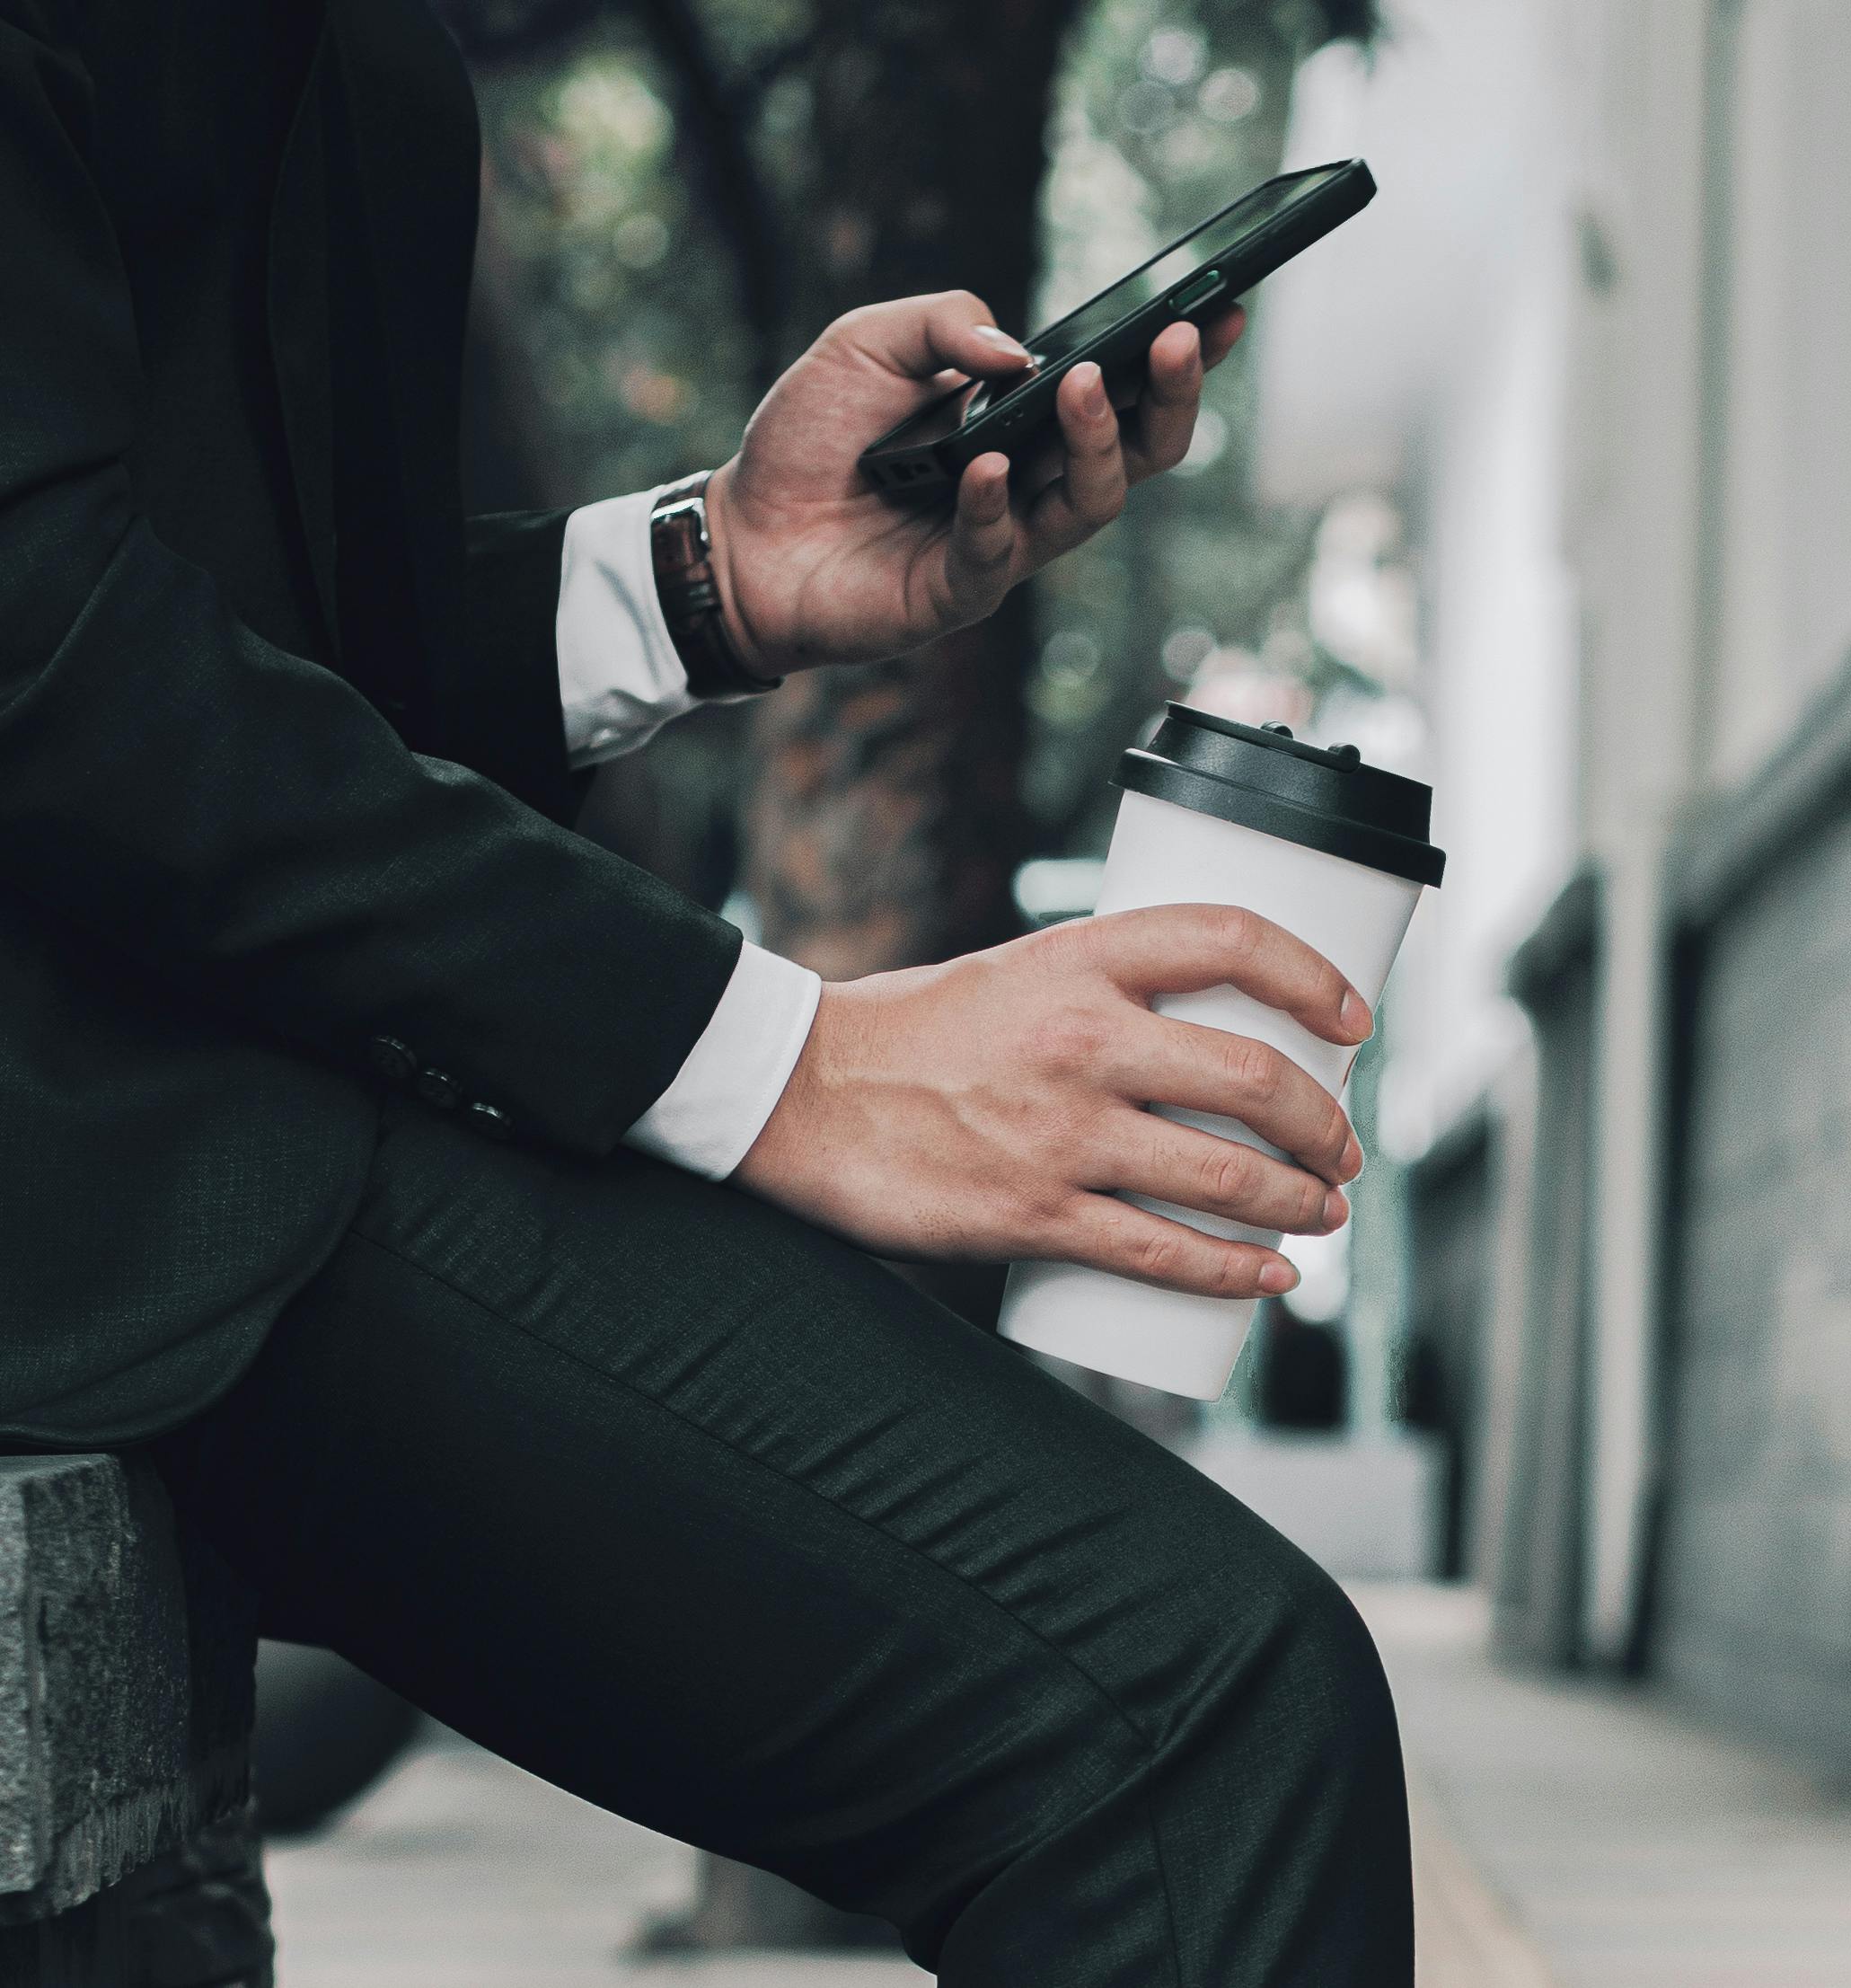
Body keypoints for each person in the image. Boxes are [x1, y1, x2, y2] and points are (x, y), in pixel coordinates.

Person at [0, 1, 1412, 1980]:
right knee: (1187, 1725)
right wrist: (789, 1065)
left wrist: (706, 575)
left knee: (1209, 1706)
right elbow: (42, 647)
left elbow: (201, 613)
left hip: (202, 1079)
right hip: (105, 1146)